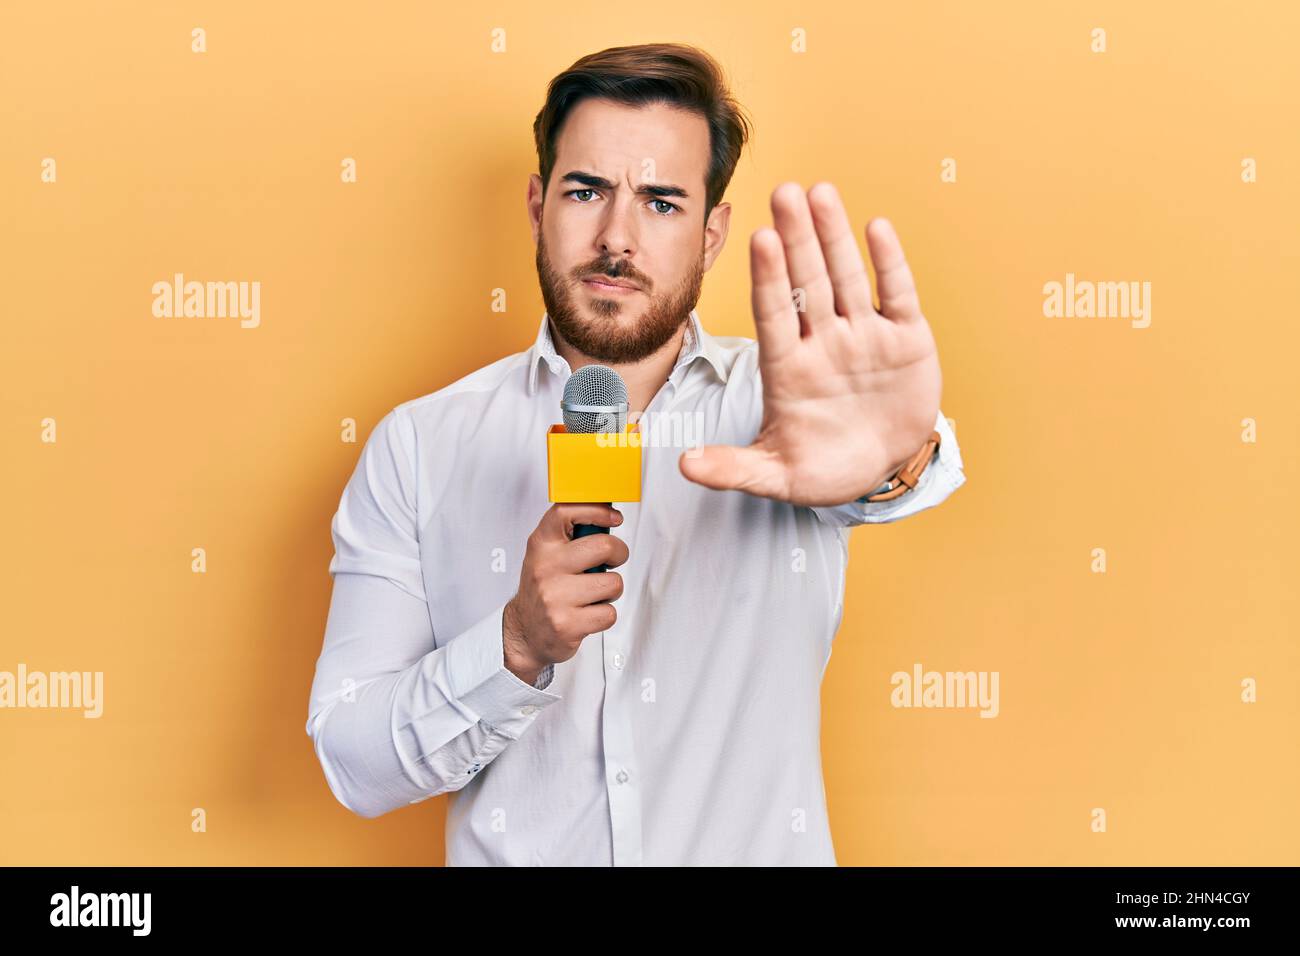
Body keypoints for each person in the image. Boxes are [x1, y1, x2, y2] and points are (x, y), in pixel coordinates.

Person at [306, 42, 966, 865]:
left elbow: (896, 471)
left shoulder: (784, 405)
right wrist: (513, 647)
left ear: (713, 232)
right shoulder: (420, 445)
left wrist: (892, 459)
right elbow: (353, 761)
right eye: (587, 191)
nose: (617, 237)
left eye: (661, 201)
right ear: (539, 203)